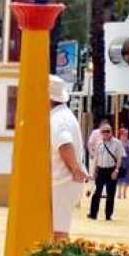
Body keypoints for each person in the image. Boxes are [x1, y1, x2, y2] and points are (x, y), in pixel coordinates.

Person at [49, 75, 86, 238]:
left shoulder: (57, 119)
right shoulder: (62, 115)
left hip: (62, 182)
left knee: (58, 233)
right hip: (62, 182)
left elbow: (65, 144)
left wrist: (75, 169)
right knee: (58, 231)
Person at [88, 123, 123, 221]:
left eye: (108, 131)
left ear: (111, 132)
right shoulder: (99, 143)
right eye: (104, 131)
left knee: (110, 194)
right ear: (101, 133)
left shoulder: (117, 143)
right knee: (97, 193)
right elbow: (96, 158)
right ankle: (93, 214)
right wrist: (94, 171)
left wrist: (116, 170)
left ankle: (108, 215)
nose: (106, 133)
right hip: (101, 169)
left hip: (111, 169)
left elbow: (119, 158)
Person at [116, 127, 129, 199]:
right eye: (124, 134)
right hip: (120, 162)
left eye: (126, 134)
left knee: (127, 178)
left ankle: (124, 193)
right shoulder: (117, 142)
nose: (125, 136)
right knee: (120, 178)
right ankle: (119, 193)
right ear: (120, 135)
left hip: (128, 162)